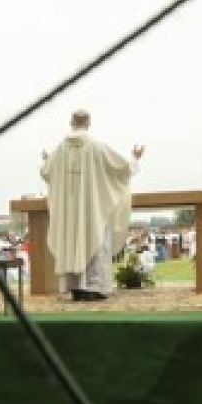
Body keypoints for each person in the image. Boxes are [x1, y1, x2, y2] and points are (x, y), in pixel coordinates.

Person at [41, 109, 143, 301]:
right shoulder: (97, 147)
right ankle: (93, 288)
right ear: (89, 123)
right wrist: (135, 158)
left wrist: (47, 160)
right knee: (94, 240)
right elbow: (121, 169)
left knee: (72, 242)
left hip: (69, 212)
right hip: (92, 209)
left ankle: (75, 288)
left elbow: (46, 172)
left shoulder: (59, 149)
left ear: (71, 123)